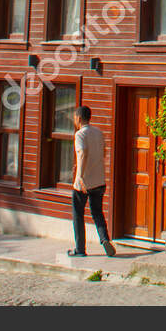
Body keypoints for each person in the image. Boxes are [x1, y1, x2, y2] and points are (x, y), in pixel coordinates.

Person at [68, 105, 116, 258]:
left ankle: (80, 249)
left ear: (79, 118)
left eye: (75, 118)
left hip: (84, 182)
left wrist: (79, 176)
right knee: (97, 213)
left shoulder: (80, 135)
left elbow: (82, 153)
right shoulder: (98, 133)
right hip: (99, 180)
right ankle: (104, 239)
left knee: (78, 213)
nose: (74, 120)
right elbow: (104, 152)